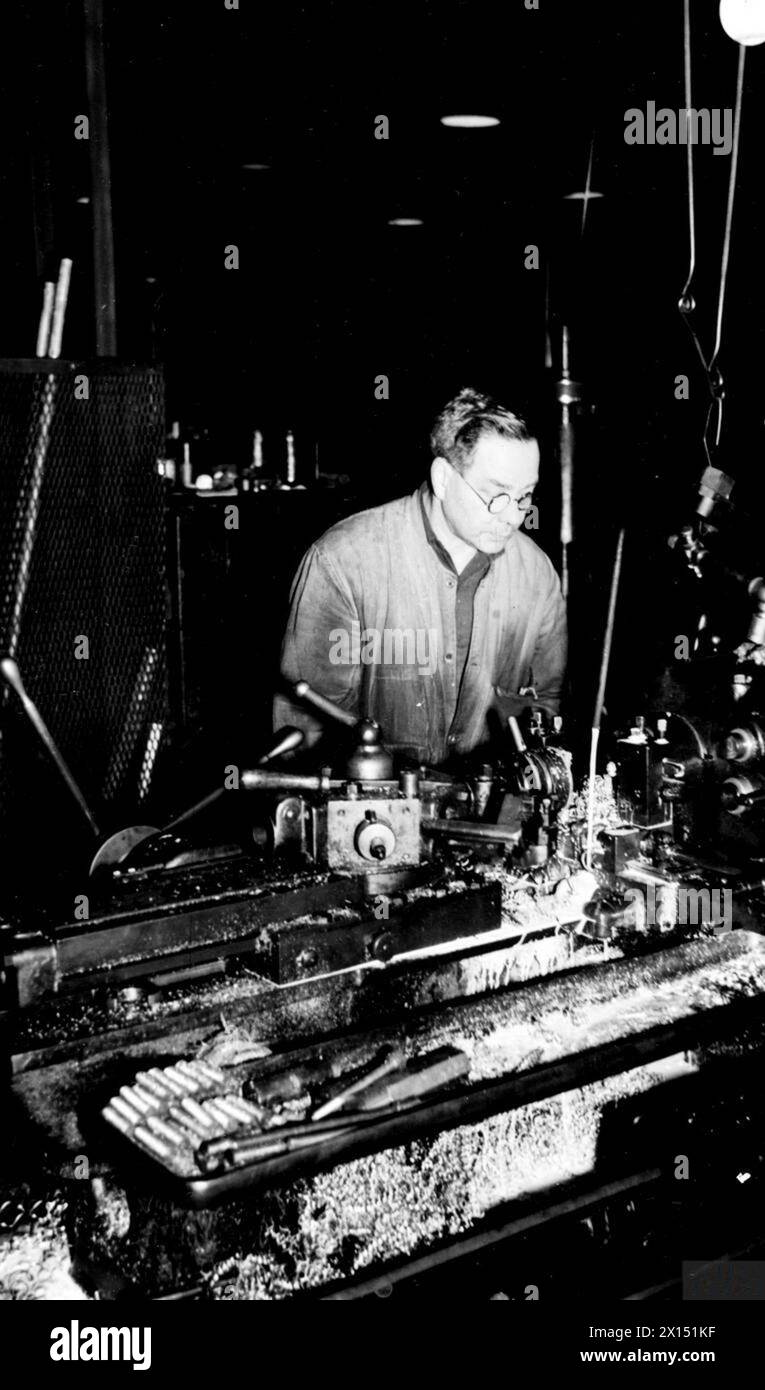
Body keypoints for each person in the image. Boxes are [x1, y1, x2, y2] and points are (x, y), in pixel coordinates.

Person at [274, 386, 567, 767]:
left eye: (525, 496)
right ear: (443, 478)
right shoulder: (343, 562)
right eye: (497, 495)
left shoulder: (537, 575)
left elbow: (547, 707)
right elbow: (305, 734)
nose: (513, 516)